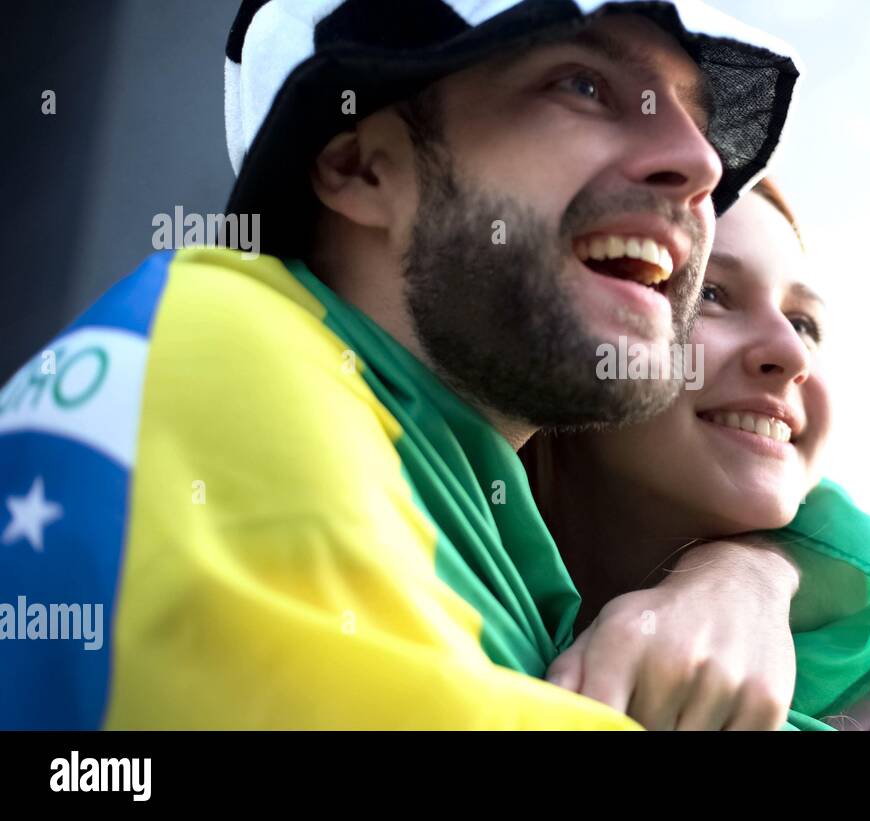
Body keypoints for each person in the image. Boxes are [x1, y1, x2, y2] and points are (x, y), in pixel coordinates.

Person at [0, 0, 809, 729]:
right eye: (584, 86)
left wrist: (751, 570)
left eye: (697, 120)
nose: (702, 165)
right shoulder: (225, 345)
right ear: (360, 169)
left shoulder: (469, 507)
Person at [529, 179, 870, 730]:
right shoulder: (430, 533)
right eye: (711, 293)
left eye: (804, 324)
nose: (792, 353)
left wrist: (752, 575)